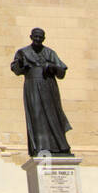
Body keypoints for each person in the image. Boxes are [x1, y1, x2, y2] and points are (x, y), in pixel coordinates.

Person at [10, 27, 73, 156]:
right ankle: (41, 147)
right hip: (32, 86)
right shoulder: (23, 52)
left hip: (49, 86)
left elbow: (62, 72)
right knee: (37, 115)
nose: (38, 39)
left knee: (54, 115)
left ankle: (61, 146)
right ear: (31, 37)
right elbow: (16, 69)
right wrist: (21, 64)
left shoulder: (50, 53)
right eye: (36, 37)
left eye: (40, 37)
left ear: (44, 39)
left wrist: (52, 67)